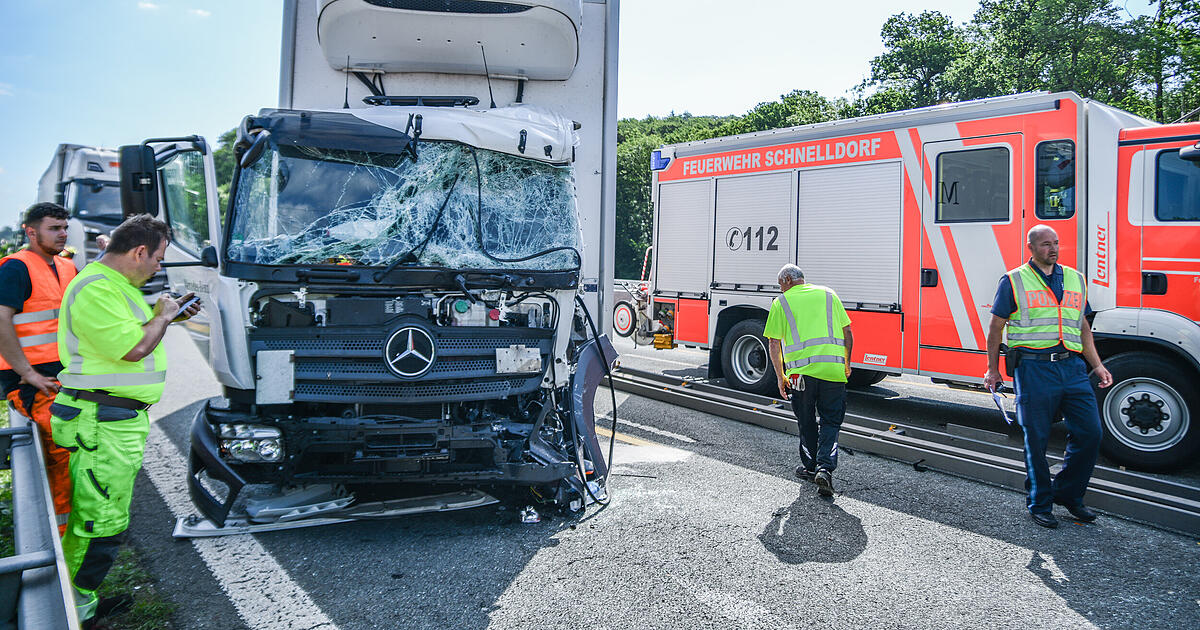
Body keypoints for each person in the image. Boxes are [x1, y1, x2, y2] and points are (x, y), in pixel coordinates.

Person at [49, 214, 201, 627]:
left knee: (101, 514)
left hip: (112, 418)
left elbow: (130, 334)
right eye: (158, 257)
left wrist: (171, 316)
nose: (158, 266)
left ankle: (82, 599)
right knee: (99, 520)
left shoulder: (115, 286)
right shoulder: (98, 288)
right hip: (102, 421)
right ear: (138, 251)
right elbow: (134, 347)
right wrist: (164, 315)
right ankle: (71, 611)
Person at [984, 224, 1113, 529]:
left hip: (1072, 367)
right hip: (1034, 368)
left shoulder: (1074, 279)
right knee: (1037, 438)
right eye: (1045, 244)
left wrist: (1097, 365)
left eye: (1055, 243)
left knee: (1090, 432)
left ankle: (1068, 494)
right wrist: (993, 368)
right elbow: (995, 328)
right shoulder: (1014, 280)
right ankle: (1040, 502)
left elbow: (1081, 326)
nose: (1052, 249)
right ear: (1030, 248)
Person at [0, 203, 77, 534]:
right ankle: (61, 535)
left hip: (65, 376)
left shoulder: (67, 267)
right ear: (31, 232)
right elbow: (1, 320)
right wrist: (27, 373)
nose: (62, 234)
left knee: (88, 443)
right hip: (32, 380)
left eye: (64, 227)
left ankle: (84, 524)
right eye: (53, 228)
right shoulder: (15, 268)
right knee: (63, 444)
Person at [764, 264, 853, 497]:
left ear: (786, 280)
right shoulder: (829, 294)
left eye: (780, 285)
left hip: (800, 375)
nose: (780, 289)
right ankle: (825, 468)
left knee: (806, 420)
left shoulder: (781, 302)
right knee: (831, 422)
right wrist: (846, 363)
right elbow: (847, 332)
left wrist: (780, 377)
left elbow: (774, 343)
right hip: (833, 372)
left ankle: (810, 466)